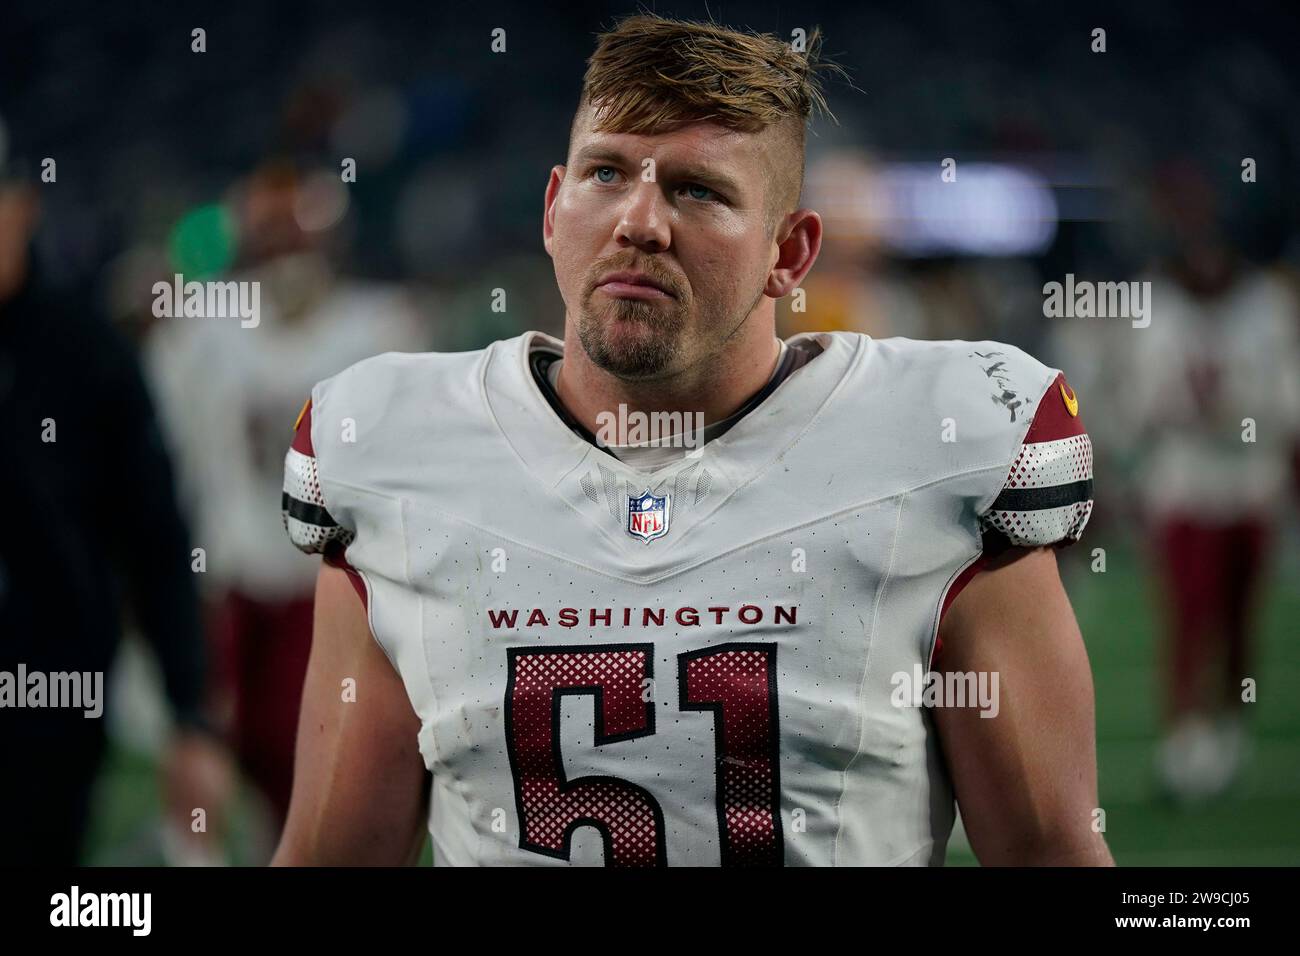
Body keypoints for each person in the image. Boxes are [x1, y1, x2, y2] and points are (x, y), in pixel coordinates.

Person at [272, 15, 1112, 866]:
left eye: (698, 190)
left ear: (790, 253)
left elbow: (1051, 855)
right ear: (554, 209)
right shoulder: (394, 458)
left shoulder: (940, 447)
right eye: (606, 173)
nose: (639, 222)